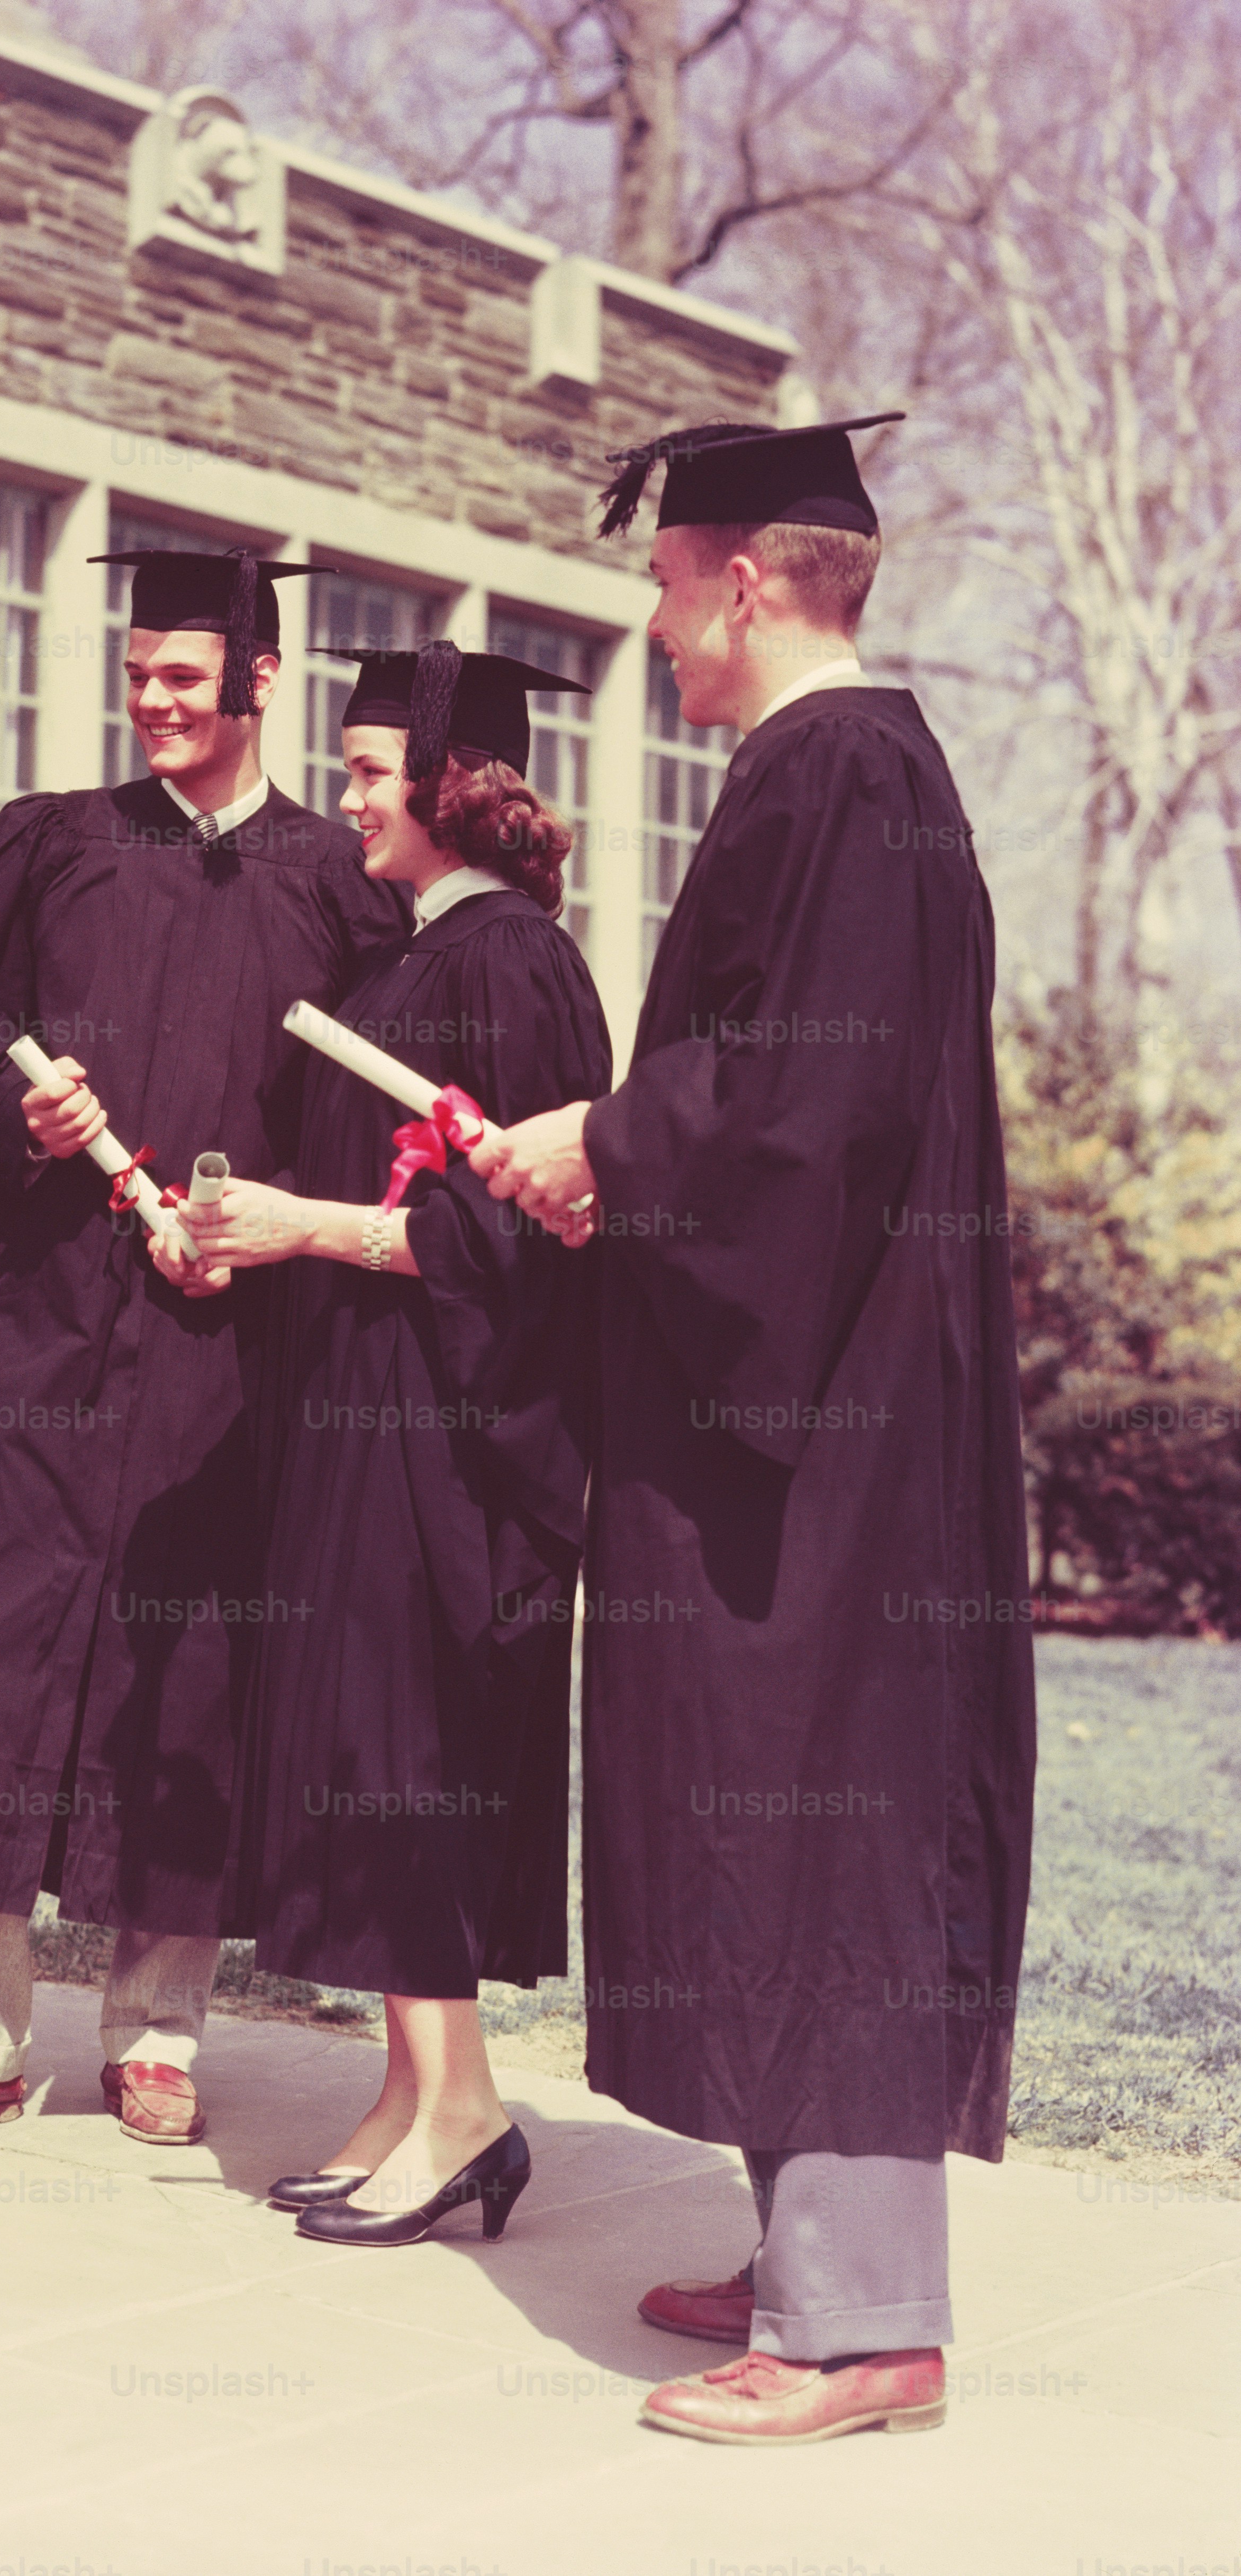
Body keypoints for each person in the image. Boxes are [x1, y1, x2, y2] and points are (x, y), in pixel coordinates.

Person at [471, 418, 1037, 2438]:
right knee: (764, 1810)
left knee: (836, 1821)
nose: (653, 622)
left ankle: (868, 2325)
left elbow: (815, 1113)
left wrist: (606, 1146)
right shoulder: (828, 782)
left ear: (742, 580)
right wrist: (623, 1157)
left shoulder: (846, 781)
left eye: (663, 581)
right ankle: (804, 2250)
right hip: (796, 1412)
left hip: (835, 1441)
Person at [0, 549, 408, 2151]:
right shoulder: (50, 846)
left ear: (258, 680)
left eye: (189, 675)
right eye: (140, 673)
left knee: (191, 1664)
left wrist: (283, 1222)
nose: (157, 699)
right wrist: (20, 1130)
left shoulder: (336, 881)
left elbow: (373, 1110)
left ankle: (159, 2025)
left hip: (229, 1334)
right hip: (53, 1310)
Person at [182, 643, 611, 2245]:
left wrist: (310, 1230)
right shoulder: (407, 954)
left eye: (370, 772)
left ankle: (470, 2110)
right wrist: (254, 1231)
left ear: (450, 786)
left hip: (451, 1447)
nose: (347, 797)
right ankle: (407, 2095)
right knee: (361, 1752)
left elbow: (518, 1242)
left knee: (407, 1754)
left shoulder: (515, 966)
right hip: (369, 1425)